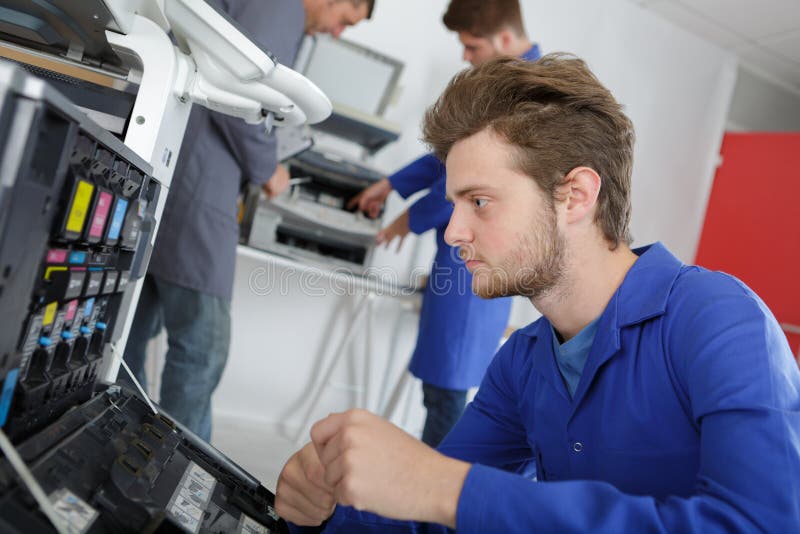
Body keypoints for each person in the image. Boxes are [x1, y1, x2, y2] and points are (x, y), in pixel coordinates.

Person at [275, 54, 800, 532]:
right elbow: (427, 514)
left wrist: (443, 487)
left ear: (575, 196)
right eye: (454, 202)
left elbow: (761, 523)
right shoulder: (522, 363)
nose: (454, 231)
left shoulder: (717, 318)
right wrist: (324, 510)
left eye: (479, 201)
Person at [120, 0, 375, 441]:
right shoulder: (284, 10)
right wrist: (267, 169)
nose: (336, 32)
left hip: (175, 175)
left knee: (129, 331)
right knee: (203, 350)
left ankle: (123, 435)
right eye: (344, 21)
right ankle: (179, 466)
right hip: (199, 190)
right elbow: (242, 94)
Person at [349, 0, 540, 447]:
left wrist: (407, 219)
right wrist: (393, 183)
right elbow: (450, 151)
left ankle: (436, 499)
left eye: (472, 46)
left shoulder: (526, 93)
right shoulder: (501, 85)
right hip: (460, 258)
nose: (465, 56)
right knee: (442, 388)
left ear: (505, 40)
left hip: (477, 259)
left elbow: (472, 176)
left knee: (447, 392)